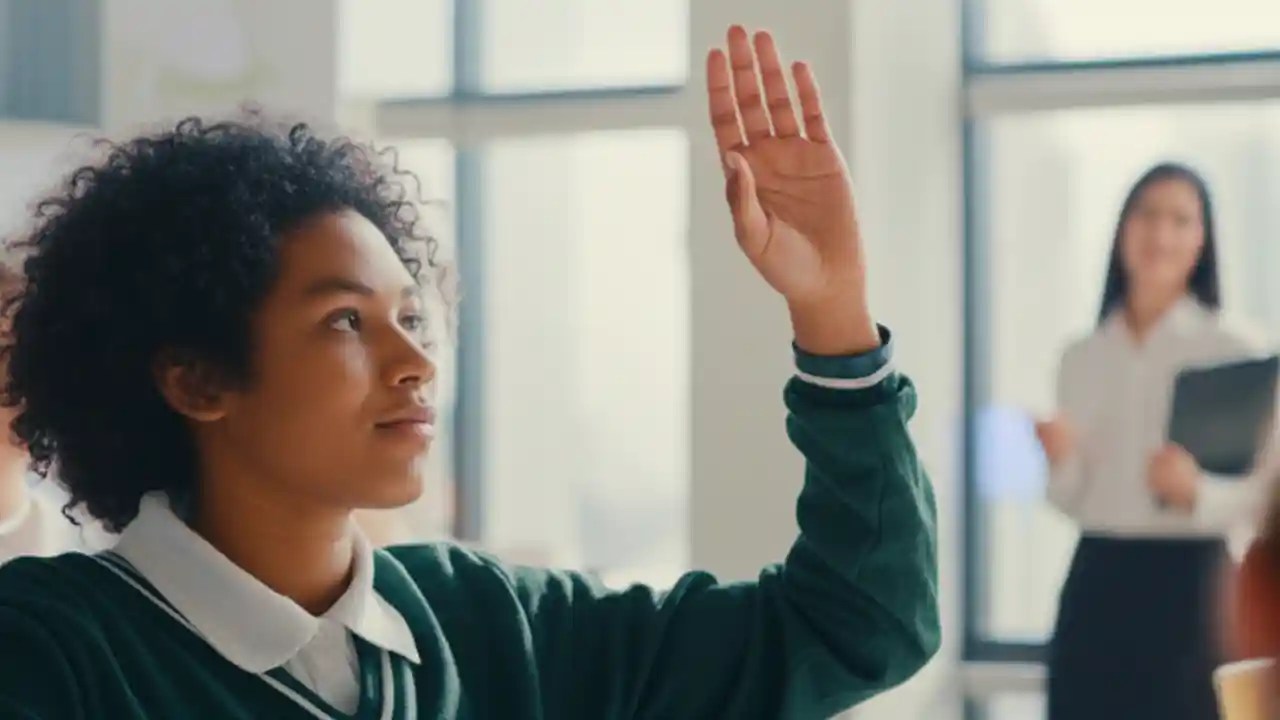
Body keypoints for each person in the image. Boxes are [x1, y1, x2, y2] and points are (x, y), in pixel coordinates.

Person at [0, 27, 938, 720]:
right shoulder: (53, 651)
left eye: (413, 316)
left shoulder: (490, 622)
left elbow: (859, 626)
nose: (415, 363)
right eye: (345, 321)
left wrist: (834, 314)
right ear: (197, 381)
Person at [1036, 163, 1265, 720]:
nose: (1160, 234)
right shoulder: (1081, 355)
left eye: (1180, 220)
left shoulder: (1236, 347)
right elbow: (1070, 501)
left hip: (1193, 584)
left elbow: (1263, 495)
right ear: (1122, 230)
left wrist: (1198, 493)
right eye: (1147, 215)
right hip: (1098, 575)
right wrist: (1059, 461)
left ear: (1201, 239)